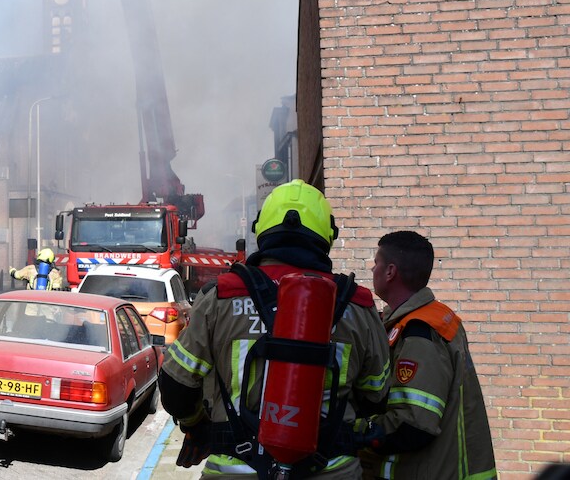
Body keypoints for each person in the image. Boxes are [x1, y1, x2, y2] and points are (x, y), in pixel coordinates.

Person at [158, 179, 391, 479]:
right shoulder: (357, 305)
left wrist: (197, 426)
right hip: (333, 470)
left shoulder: (222, 295)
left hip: (235, 469)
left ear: (262, 230)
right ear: (326, 235)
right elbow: (377, 395)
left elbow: (176, 385)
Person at [358, 230, 497, 479]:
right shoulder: (430, 317)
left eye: (376, 262)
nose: (372, 269)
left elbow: (413, 424)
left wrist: (353, 432)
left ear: (390, 272)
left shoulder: (420, 333)